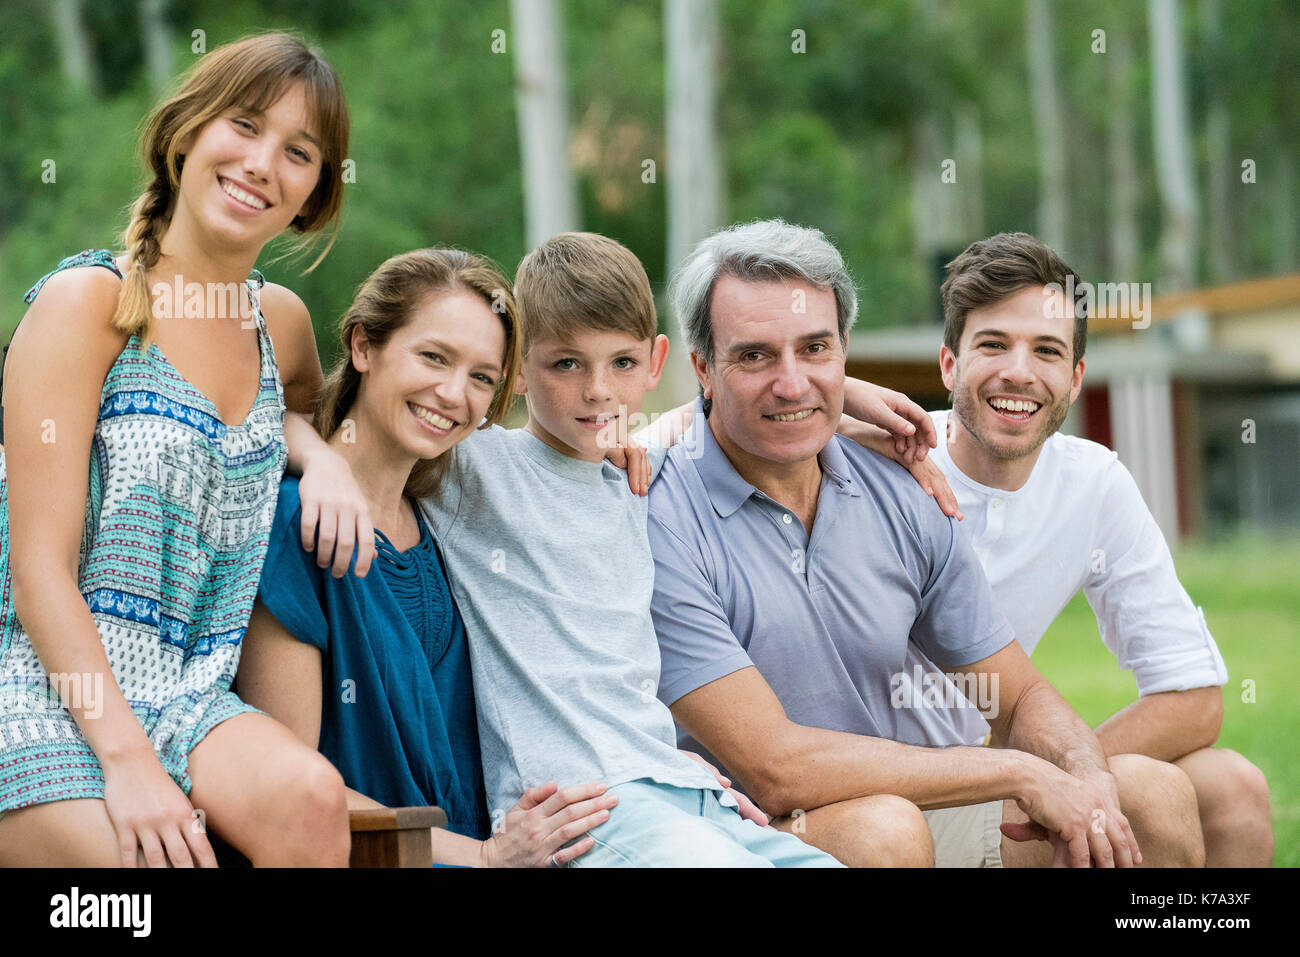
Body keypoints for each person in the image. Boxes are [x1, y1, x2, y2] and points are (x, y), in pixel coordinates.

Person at [647, 218, 1205, 868]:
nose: (792, 383)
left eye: (815, 349)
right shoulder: (660, 509)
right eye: (755, 355)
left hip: (902, 807)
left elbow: (1019, 696)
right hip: (742, 831)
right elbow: (778, 769)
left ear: (844, 351)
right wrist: (1022, 774)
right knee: (885, 831)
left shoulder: (904, 487)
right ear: (702, 369)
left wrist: (1084, 772)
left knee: (1147, 797)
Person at [414, 231, 935, 867]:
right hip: (581, 807)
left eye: (623, 364)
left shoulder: (640, 479)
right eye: (566, 364)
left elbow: (724, 412)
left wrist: (838, 399)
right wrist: (322, 464)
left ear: (657, 361)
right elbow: (365, 415)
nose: (599, 391)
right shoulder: (479, 468)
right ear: (517, 365)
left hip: (679, 788)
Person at [0, 32, 357, 867]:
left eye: (298, 152)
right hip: (45, 685)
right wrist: (127, 765)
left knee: (311, 796)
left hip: (188, 696)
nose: (263, 162)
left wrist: (325, 458)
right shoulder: (84, 303)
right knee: (144, 875)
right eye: (243, 125)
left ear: (313, 194)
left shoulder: (282, 325)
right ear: (187, 133)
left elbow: (288, 416)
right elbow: (38, 570)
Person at [853, 231, 1271, 867]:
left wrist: (1054, 777)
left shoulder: (1092, 482)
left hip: (994, 788)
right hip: (872, 801)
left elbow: (1194, 698)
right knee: (1151, 796)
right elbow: (704, 429)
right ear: (948, 365)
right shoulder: (876, 454)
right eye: (993, 344)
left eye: (1046, 351)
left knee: (1230, 786)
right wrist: (830, 406)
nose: (1019, 371)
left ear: (1075, 379)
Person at [237, 248, 623, 867]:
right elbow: (287, 790)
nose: (452, 394)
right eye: (434, 357)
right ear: (364, 347)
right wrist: (483, 857)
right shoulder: (297, 524)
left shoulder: (448, 521)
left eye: (481, 377)